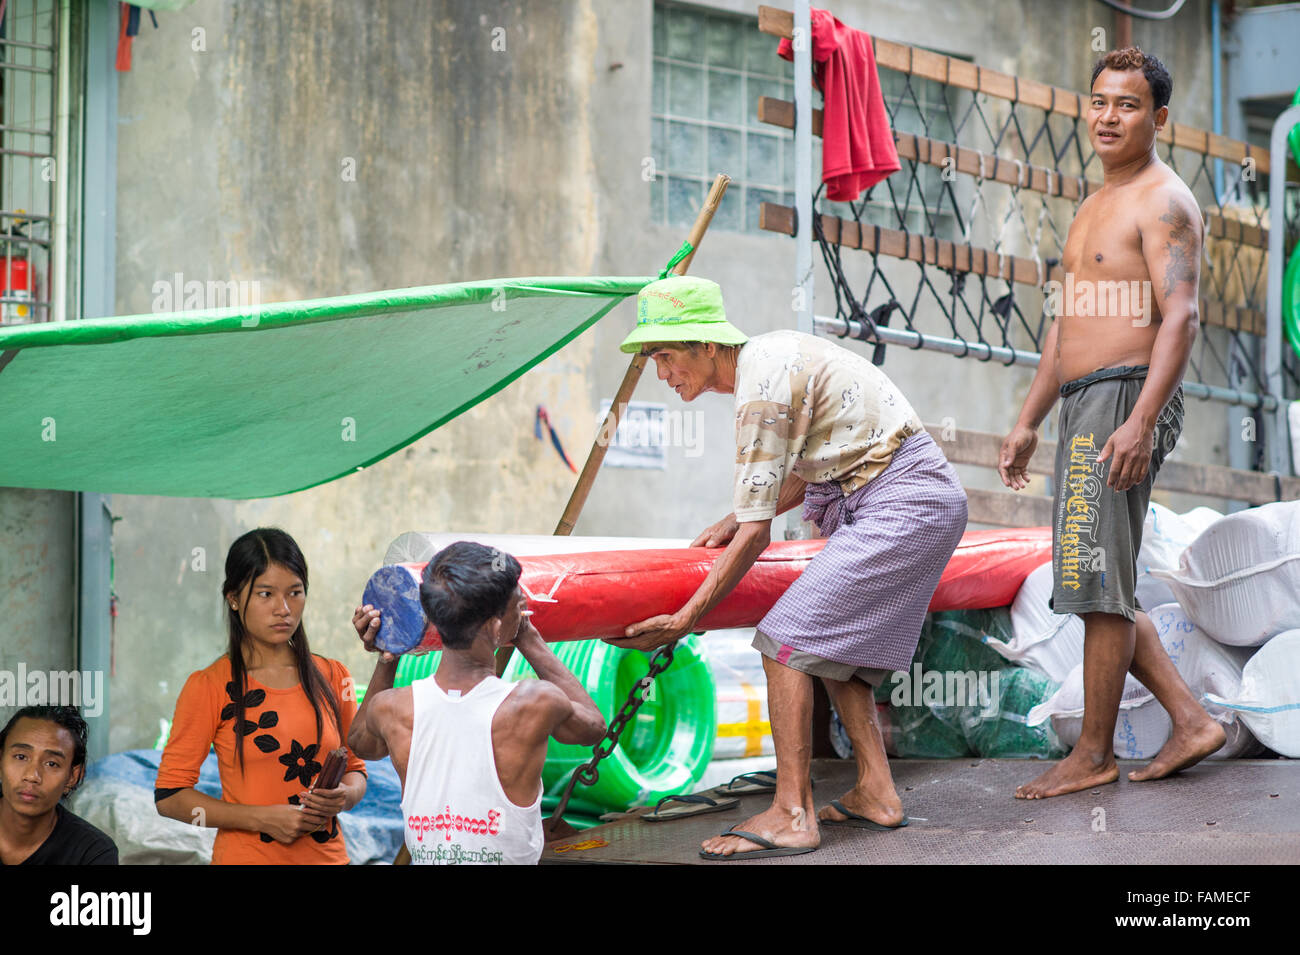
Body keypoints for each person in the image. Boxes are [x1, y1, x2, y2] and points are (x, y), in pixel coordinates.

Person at [607, 275, 968, 860]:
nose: (663, 374)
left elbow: (755, 538)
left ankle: (792, 813)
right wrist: (740, 512)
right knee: (831, 646)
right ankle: (877, 792)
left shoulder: (759, 389)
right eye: (653, 361)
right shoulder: (769, 359)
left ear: (708, 346)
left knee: (784, 640)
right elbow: (807, 466)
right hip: (909, 499)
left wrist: (687, 618)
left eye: (667, 356)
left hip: (904, 501)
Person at [999, 48, 1226, 799]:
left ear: (1158, 118)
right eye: (1098, 101)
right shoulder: (1094, 204)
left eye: (1126, 105)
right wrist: (1030, 418)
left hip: (1124, 400)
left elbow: (1182, 315)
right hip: (1084, 401)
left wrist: (1140, 419)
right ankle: (1191, 721)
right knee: (1102, 578)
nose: (1107, 116)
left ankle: (1094, 755)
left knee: (1097, 582)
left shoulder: (1165, 201)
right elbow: (1067, 325)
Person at [347, 541, 605, 866]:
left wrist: (391, 649)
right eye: (518, 604)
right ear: (497, 626)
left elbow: (362, 744)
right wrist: (528, 637)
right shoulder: (534, 702)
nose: (524, 607)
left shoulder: (392, 708)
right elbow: (593, 728)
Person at [155, 527, 369, 863]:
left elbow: (356, 768)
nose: (283, 608)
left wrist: (345, 795)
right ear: (234, 598)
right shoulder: (210, 686)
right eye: (266, 594)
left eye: (295, 592)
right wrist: (262, 818)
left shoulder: (332, 676)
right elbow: (170, 796)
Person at [0, 705, 117, 865]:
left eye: (52, 764)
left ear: (72, 777)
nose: (32, 776)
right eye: (21, 757)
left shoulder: (92, 853)